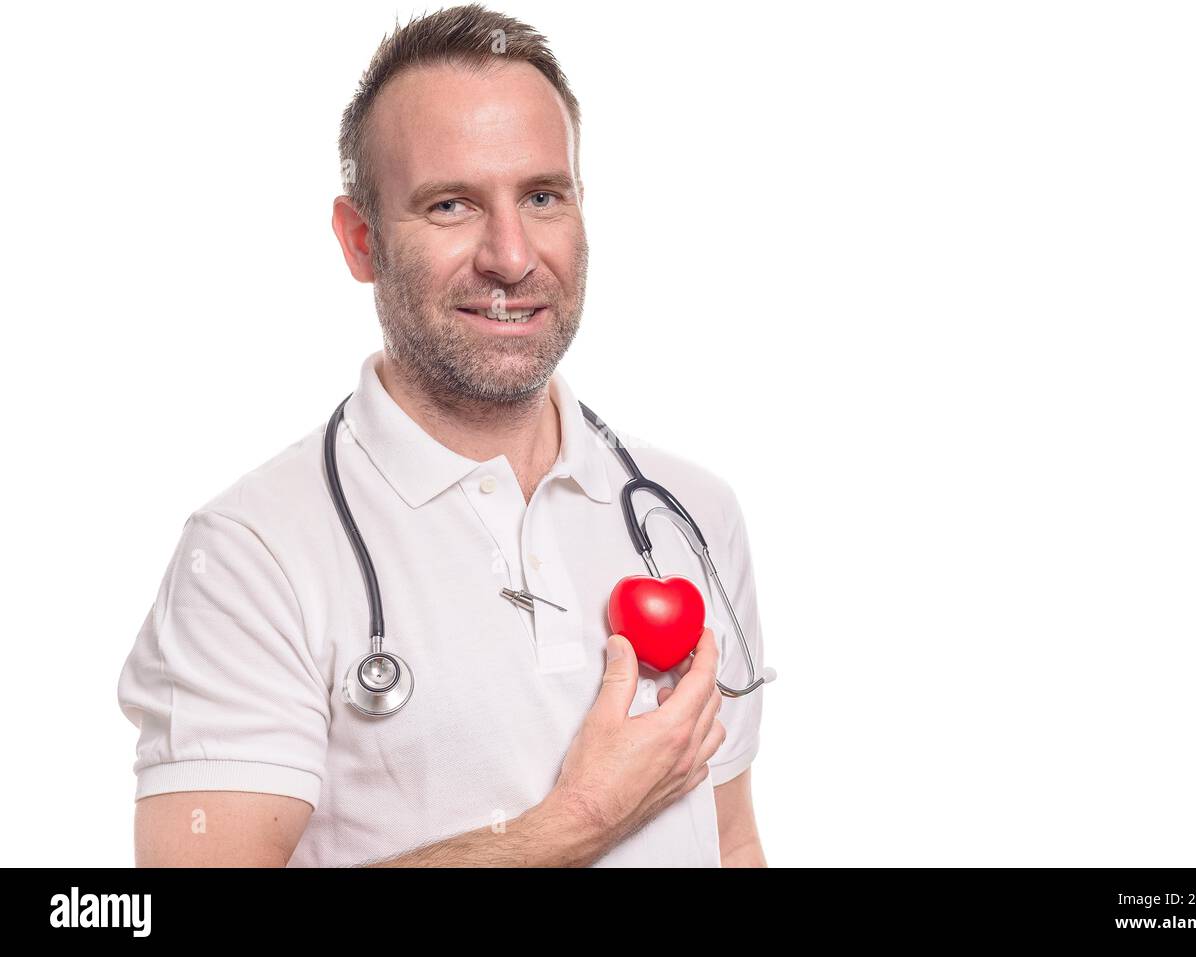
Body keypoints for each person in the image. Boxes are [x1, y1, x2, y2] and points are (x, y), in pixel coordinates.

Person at [117, 3, 768, 867]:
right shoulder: (251, 556)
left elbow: (731, 839)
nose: (511, 255)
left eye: (542, 196)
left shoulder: (690, 511)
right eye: (451, 205)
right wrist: (577, 819)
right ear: (361, 241)